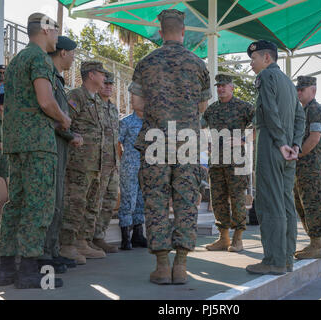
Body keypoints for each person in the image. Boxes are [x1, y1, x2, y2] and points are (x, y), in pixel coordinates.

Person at [130, 9, 211, 285]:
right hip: (187, 140)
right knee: (186, 202)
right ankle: (182, 265)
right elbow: (202, 106)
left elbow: (137, 105)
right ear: (184, 32)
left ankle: (162, 266)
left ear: (160, 32)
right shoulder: (198, 64)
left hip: (156, 138)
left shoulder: (146, 62)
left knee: (156, 202)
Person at [0, 13, 70, 289]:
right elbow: (46, 101)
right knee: (38, 206)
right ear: (46, 31)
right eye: (56, 33)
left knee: (16, 204)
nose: (57, 39)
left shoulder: (16, 61)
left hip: (15, 142)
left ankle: (5, 269)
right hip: (38, 142)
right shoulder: (39, 58)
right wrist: (64, 118)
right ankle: (27, 271)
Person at [245, 40, 305, 275]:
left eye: (254, 59)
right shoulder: (290, 85)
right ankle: (287, 258)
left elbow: (269, 110)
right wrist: (295, 145)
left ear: (267, 58)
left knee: (270, 203)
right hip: (288, 151)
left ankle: (274, 260)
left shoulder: (266, 77)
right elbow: (300, 118)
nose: (252, 64)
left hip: (272, 146)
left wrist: (280, 143)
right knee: (285, 203)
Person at [39, 36, 82, 273]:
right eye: (73, 53)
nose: (74, 57)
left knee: (58, 202)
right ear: (63, 53)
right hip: (52, 146)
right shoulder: (48, 79)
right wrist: (71, 135)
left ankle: (53, 252)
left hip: (60, 147)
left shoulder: (56, 79)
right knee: (51, 203)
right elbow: (51, 116)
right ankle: (45, 254)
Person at [59, 61, 107, 263]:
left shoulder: (97, 101)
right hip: (79, 164)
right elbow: (62, 123)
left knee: (91, 205)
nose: (105, 78)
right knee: (75, 204)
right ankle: (66, 245)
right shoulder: (76, 96)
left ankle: (82, 242)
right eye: (102, 74)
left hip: (95, 164)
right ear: (92, 75)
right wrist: (72, 137)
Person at [203, 74, 254, 253]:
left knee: (237, 199)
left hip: (236, 162)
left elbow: (261, 123)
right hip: (216, 162)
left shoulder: (244, 107)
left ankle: (238, 238)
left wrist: (244, 139)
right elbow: (199, 126)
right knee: (217, 200)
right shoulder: (212, 109)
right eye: (218, 86)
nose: (220, 89)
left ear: (232, 87)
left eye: (224, 86)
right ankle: (223, 238)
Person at [293, 76, 321, 260]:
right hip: (302, 165)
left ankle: (317, 245)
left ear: (313, 91)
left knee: (312, 203)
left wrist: (298, 154)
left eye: (302, 89)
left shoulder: (316, 110)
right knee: (301, 204)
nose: (299, 92)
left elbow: (314, 137)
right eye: (298, 89)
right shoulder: (302, 109)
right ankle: (314, 243)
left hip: (311, 164)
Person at [92, 71, 120, 254]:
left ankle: (99, 236)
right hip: (97, 163)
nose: (108, 86)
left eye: (111, 84)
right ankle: (87, 238)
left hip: (112, 162)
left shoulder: (113, 108)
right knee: (95, 201)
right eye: (106, 83)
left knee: (109, 201)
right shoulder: (93, 105)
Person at [118, 93, 147, 251]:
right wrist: (123, 160)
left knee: (141, 202)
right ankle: (125, 237)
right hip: (130, 166)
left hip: (146, 167)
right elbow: (118, 142)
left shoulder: (151, 123)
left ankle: (138, 235)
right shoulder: (126, 121)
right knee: (128, 200)